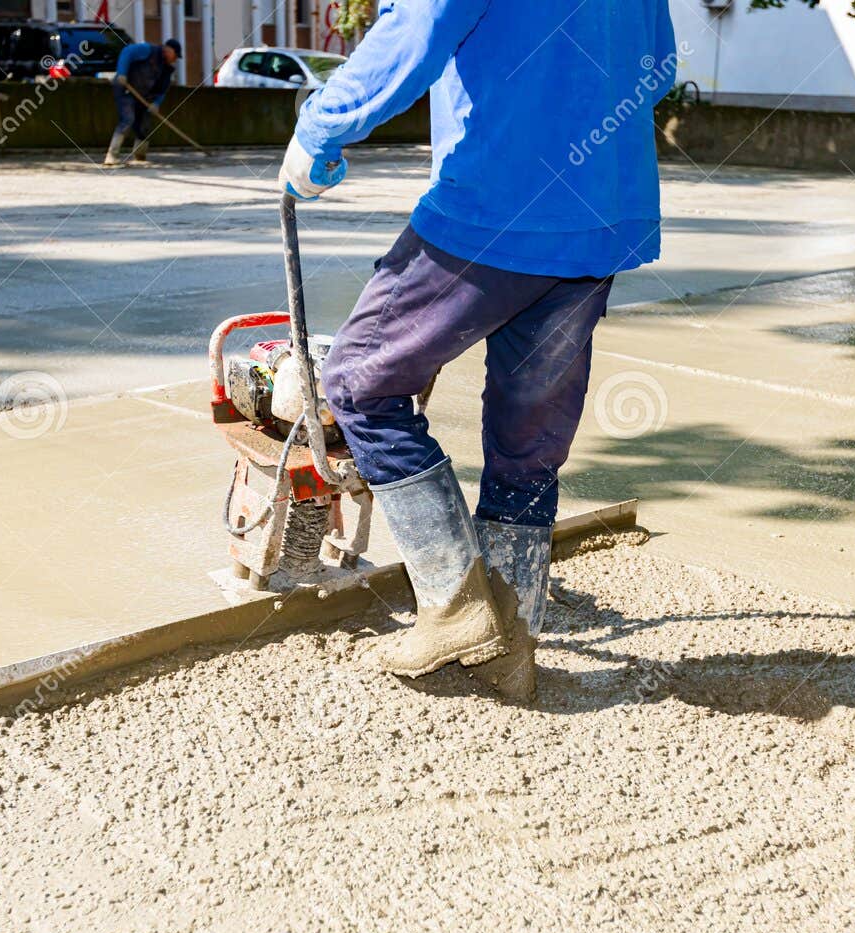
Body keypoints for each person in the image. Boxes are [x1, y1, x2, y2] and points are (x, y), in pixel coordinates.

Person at [279, 1, 677, 701]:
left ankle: (455, 608)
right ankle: (508, 652)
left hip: (497, 208)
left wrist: (320, 129)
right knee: (527, 446)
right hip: (600, 216)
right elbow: (659, 62)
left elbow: (421, 27)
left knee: (360, 383)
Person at [105, 38, 178, 167]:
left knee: (145, 122)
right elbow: (127, 52)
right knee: (128, 119)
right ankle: (112, 155)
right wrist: (122, 73)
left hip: (145, 96)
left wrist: (156, 103)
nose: (175, 59)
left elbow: (162, 91)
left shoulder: (167, 70)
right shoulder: (148, 50)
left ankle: (140, 154)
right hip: (126, 88)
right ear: (169, 50)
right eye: (175, 55)